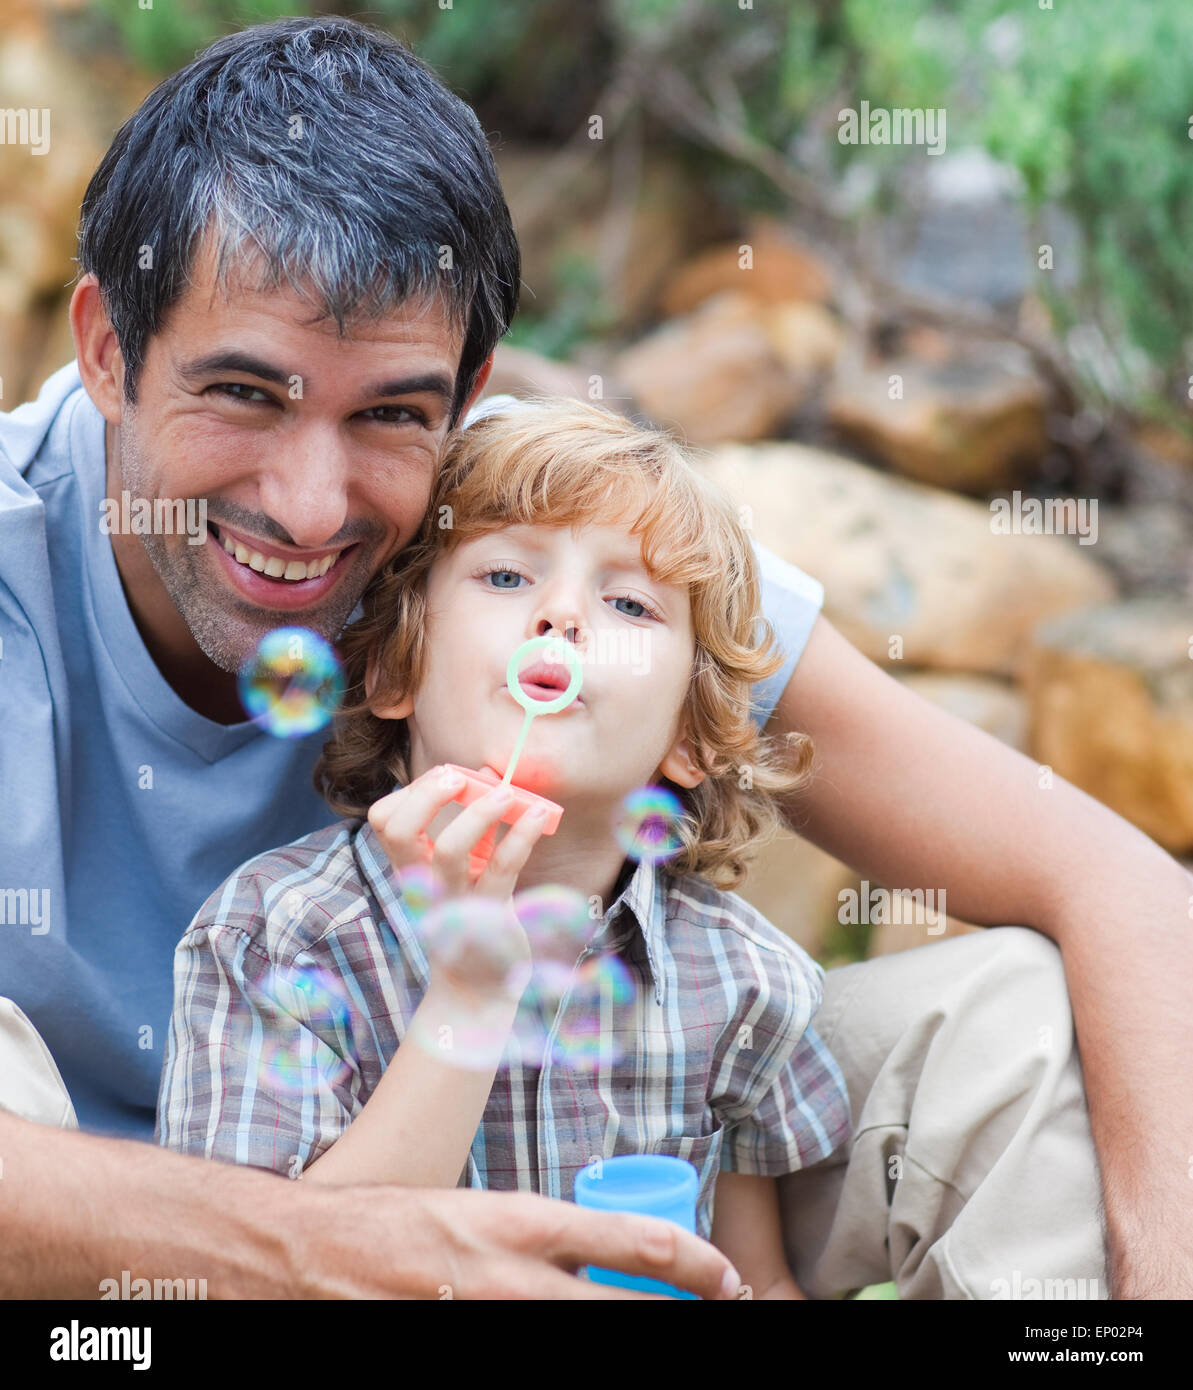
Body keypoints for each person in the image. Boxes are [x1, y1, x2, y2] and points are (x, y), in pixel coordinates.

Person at [0, 14, 1186, 1299]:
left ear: (466, 392)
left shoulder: (530, 529)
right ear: (107, 347)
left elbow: (1112, 883)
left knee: (1013, 1022)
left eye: (392, 412)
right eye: (243, 392)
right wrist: (333, 1243)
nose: (308, 504)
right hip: (100, 1260)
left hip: (573, 1140)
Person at [156, 397, 854, 1300]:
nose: (562, 615)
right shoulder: (273, 941)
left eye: (629, 602)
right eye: (505, 578)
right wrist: (471, 990)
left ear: (689, 735)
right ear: (396, 667)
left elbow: (750, 1281)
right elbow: (250, 1283)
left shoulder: (743, 982)